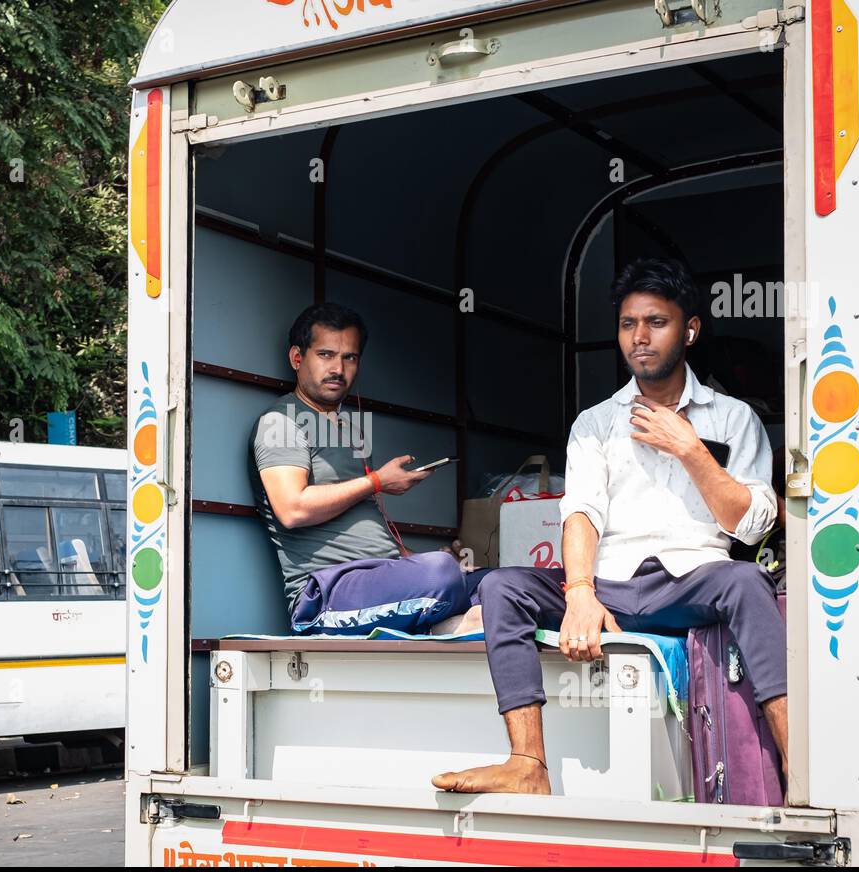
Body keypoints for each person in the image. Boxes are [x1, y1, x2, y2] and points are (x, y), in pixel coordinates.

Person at [433, 258, 787, 795]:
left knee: (748, 582)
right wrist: (579, 592)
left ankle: (801, 764)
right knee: (501, 584)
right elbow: (582, 513)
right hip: (612, 589)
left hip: (693, 581)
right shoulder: (597, 422)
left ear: (690, 330)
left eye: (657, 323)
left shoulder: (733, 418)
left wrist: (690, 450)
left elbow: (751, 526)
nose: (639, 337)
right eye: (628, 324)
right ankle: (528, 763)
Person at [250, 302, 489, 635]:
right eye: (325, 355)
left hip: (381, 576)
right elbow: (292, 509)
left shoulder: (351, 430)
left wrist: (416, 558)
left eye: (349, 357)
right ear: (297, 358)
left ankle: (449, 617)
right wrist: (377, 481)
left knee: (495, 581)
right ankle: (445, 620)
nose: (338, 368)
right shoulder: (282, 422)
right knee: (440, 573)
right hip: (328, 593)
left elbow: (369, 528)